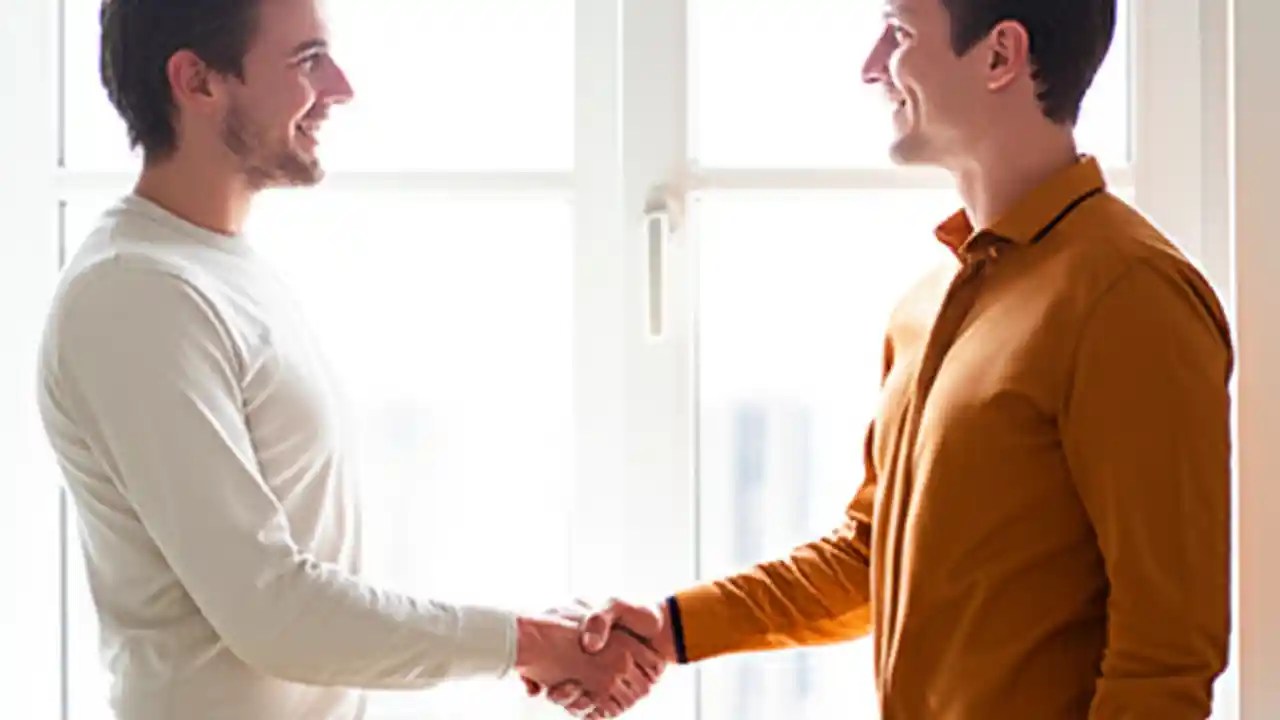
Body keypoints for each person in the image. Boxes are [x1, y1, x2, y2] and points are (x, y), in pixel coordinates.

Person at [540, 0, 1233, 717]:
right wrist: (669, 628)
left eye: (898, 33)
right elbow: (872, 556)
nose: (872, 67)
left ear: (1000, 55)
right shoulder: (926, 306)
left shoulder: (1130, 294)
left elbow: (1165, 656)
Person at [36, 1, 658, 718]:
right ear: (198, 81)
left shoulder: (214, 271)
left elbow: (306, 583)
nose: (340, 87)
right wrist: (530, 644)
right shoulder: (137, 296)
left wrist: (536, 641)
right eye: (307, 61)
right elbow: (272, 610)